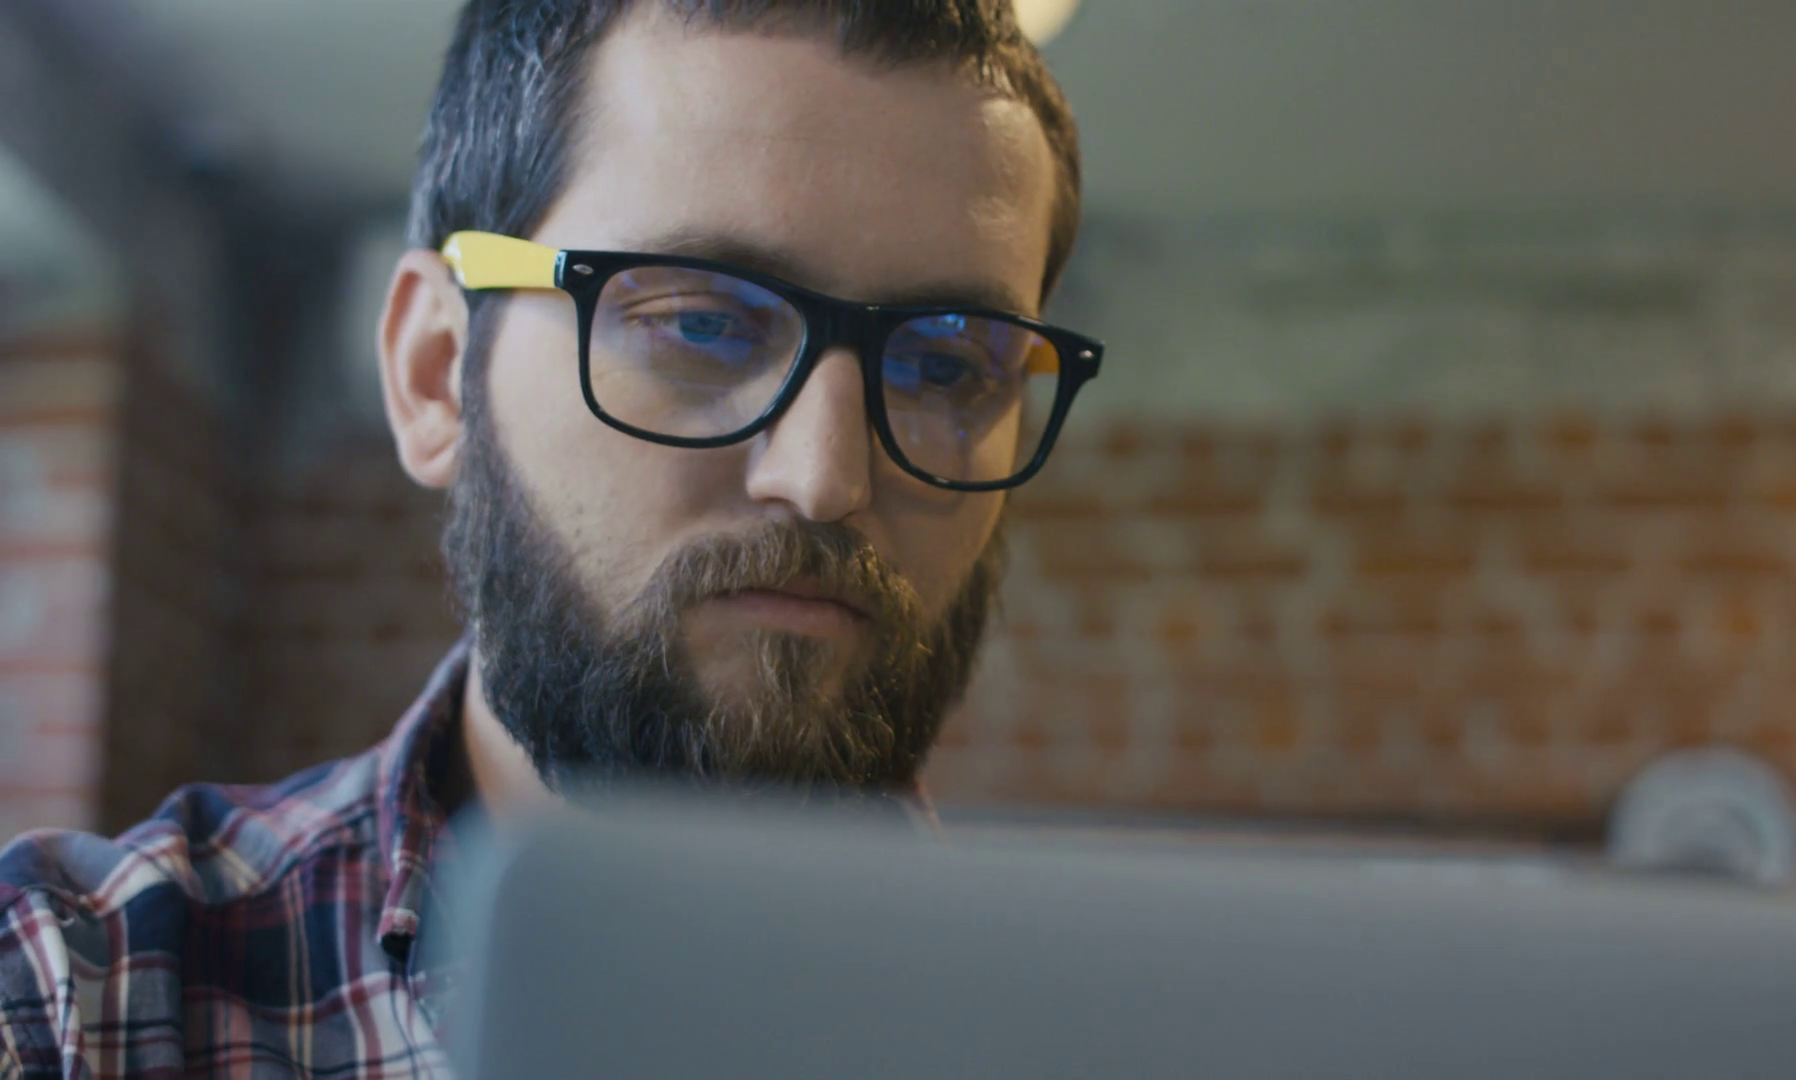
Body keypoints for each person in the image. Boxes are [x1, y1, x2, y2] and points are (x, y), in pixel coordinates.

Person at [0, 1, 1095, 1074]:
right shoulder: (74, 998)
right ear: (435, 374)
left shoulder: (1131, 1036)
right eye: (699, 325)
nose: (822, 477)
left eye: (946, 365)